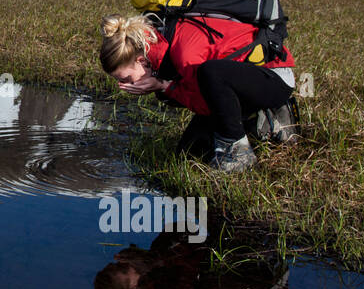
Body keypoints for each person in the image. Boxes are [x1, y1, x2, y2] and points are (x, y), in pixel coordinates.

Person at [99, 13, 296, 171]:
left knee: (212, 73)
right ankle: (258, 120)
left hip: (274, 77)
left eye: (124, 78)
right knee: (188, 153)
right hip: (241, 81)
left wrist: (163, 86)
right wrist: (164, 87)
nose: (124, 85)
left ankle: (239, 151)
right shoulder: (161, 50)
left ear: (141, 61)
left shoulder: (183, 52)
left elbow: (206, 103)